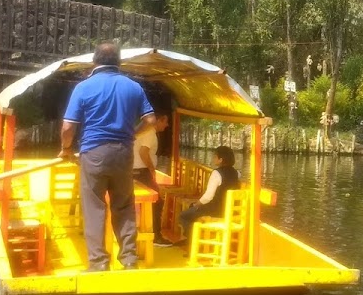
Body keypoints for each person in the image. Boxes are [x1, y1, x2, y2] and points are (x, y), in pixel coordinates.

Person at [60, 42, 156, 272]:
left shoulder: (83, 87)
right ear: (118, 62)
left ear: (95, 61)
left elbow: (67, 127)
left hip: (93, 153)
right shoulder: (133, 87)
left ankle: (98, 264)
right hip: (123, 153)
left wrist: (65, 149)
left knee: (94, 207)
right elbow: (151, 121)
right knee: (123, 205)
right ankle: (129, 260)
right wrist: (132, 132)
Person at [178, 146, 240, 245]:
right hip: (228, 211)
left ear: (220, 160)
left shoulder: (216, 173)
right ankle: (195, 239)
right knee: (192, 210)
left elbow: (208, 196)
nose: (213, 159)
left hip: (215, 210)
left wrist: (197, 204)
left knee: (183, 216)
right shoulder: (236, 173)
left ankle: (192, 241)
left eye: (215, 157)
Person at [133, 112, 172, 246]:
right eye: (165, 122)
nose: (166, 126)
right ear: (159, 120)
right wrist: (151, 170)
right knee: (157, 202)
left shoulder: (140, 129)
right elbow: (143, 152)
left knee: (151, 202)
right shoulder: (149, 132)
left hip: (134, 171)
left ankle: (144, 230)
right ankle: (155, 236)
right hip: (142, 172)